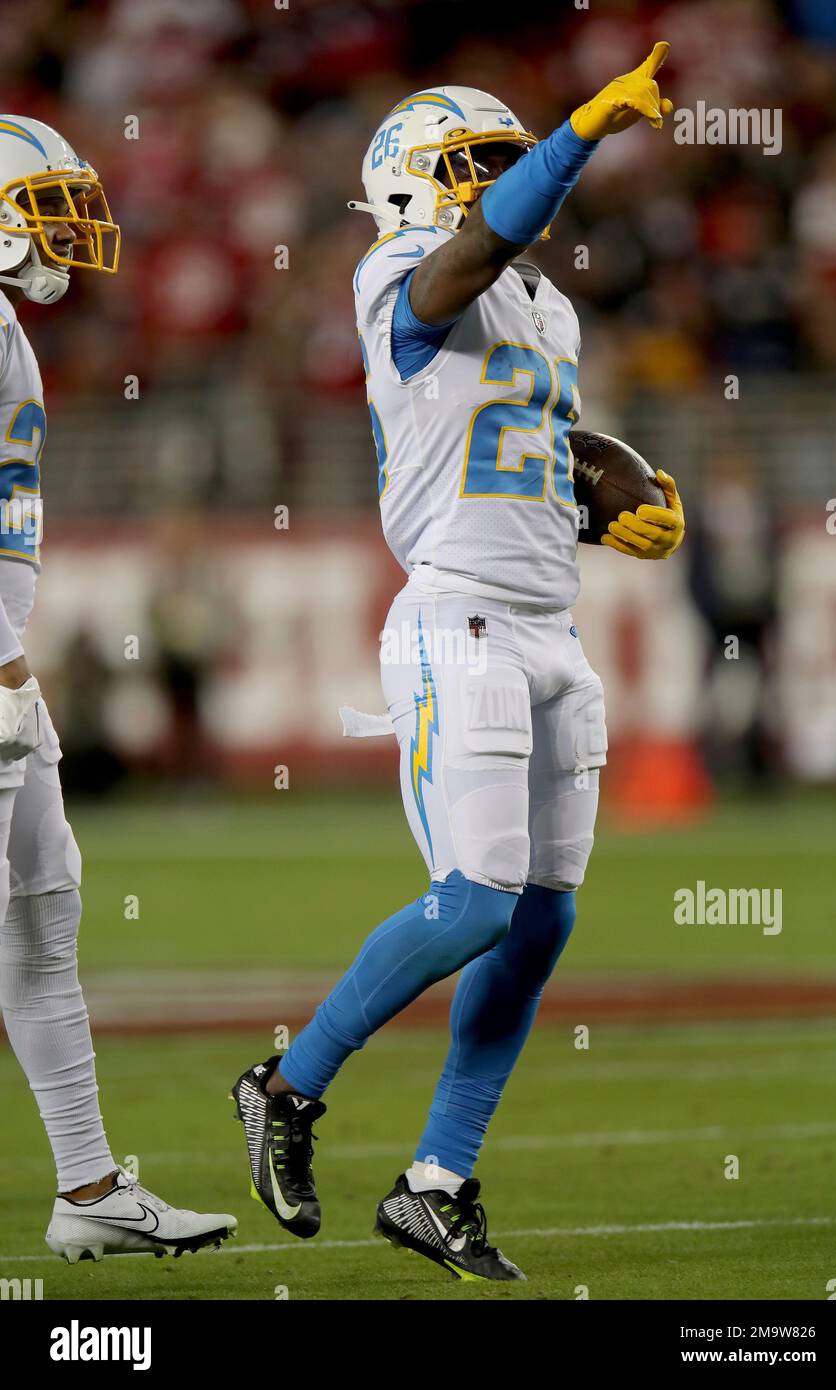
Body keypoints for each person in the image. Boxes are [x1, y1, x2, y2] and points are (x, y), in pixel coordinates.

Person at [233, 47, 685, 1282]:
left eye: (502, 162)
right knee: (476, 899)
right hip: (458, 620)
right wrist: (576, 137)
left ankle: (434, 1182)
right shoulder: (400, 270)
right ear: (408, 181)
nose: (491, 183)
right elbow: (470, 253)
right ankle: (286, 1085)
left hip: (550, 629)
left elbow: (533, 442)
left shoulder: (547, 308)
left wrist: (613, 498)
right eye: (471, 164)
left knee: (540, 921)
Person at [0, 115, 236, 1262]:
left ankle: (90, 1187)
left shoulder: (5, 324)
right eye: (46, 206)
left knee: (44, 919)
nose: (69, 231)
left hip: (6, 679)